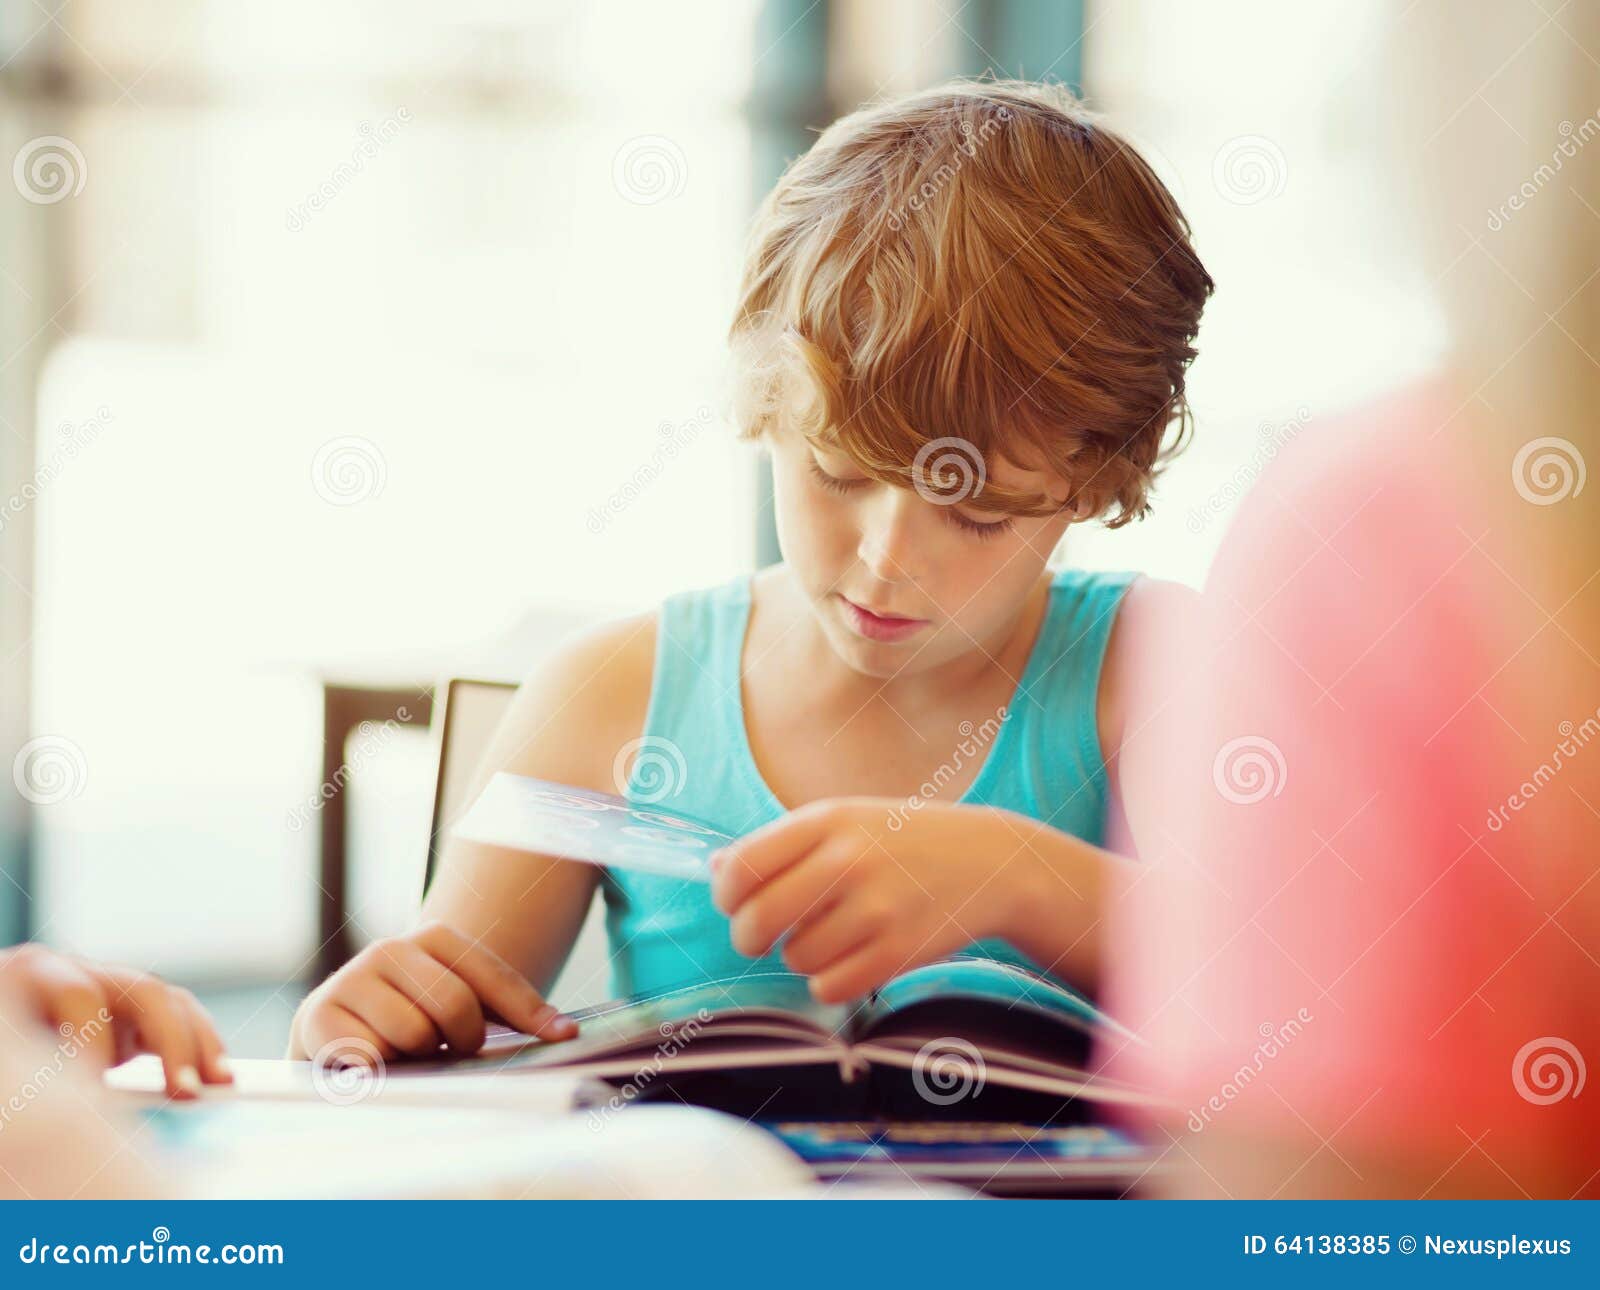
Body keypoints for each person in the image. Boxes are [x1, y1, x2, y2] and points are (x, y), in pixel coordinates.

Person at [290, 79, 1211, 1064]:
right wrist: (352, 1035)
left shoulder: (1159, 671)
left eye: (978, 515)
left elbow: (1329, 1012)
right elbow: (433, 1040)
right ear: (765, 409)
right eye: (835, 473)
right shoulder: (612, 695)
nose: (886, 561)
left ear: (1099, 477)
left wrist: (1020, 878)